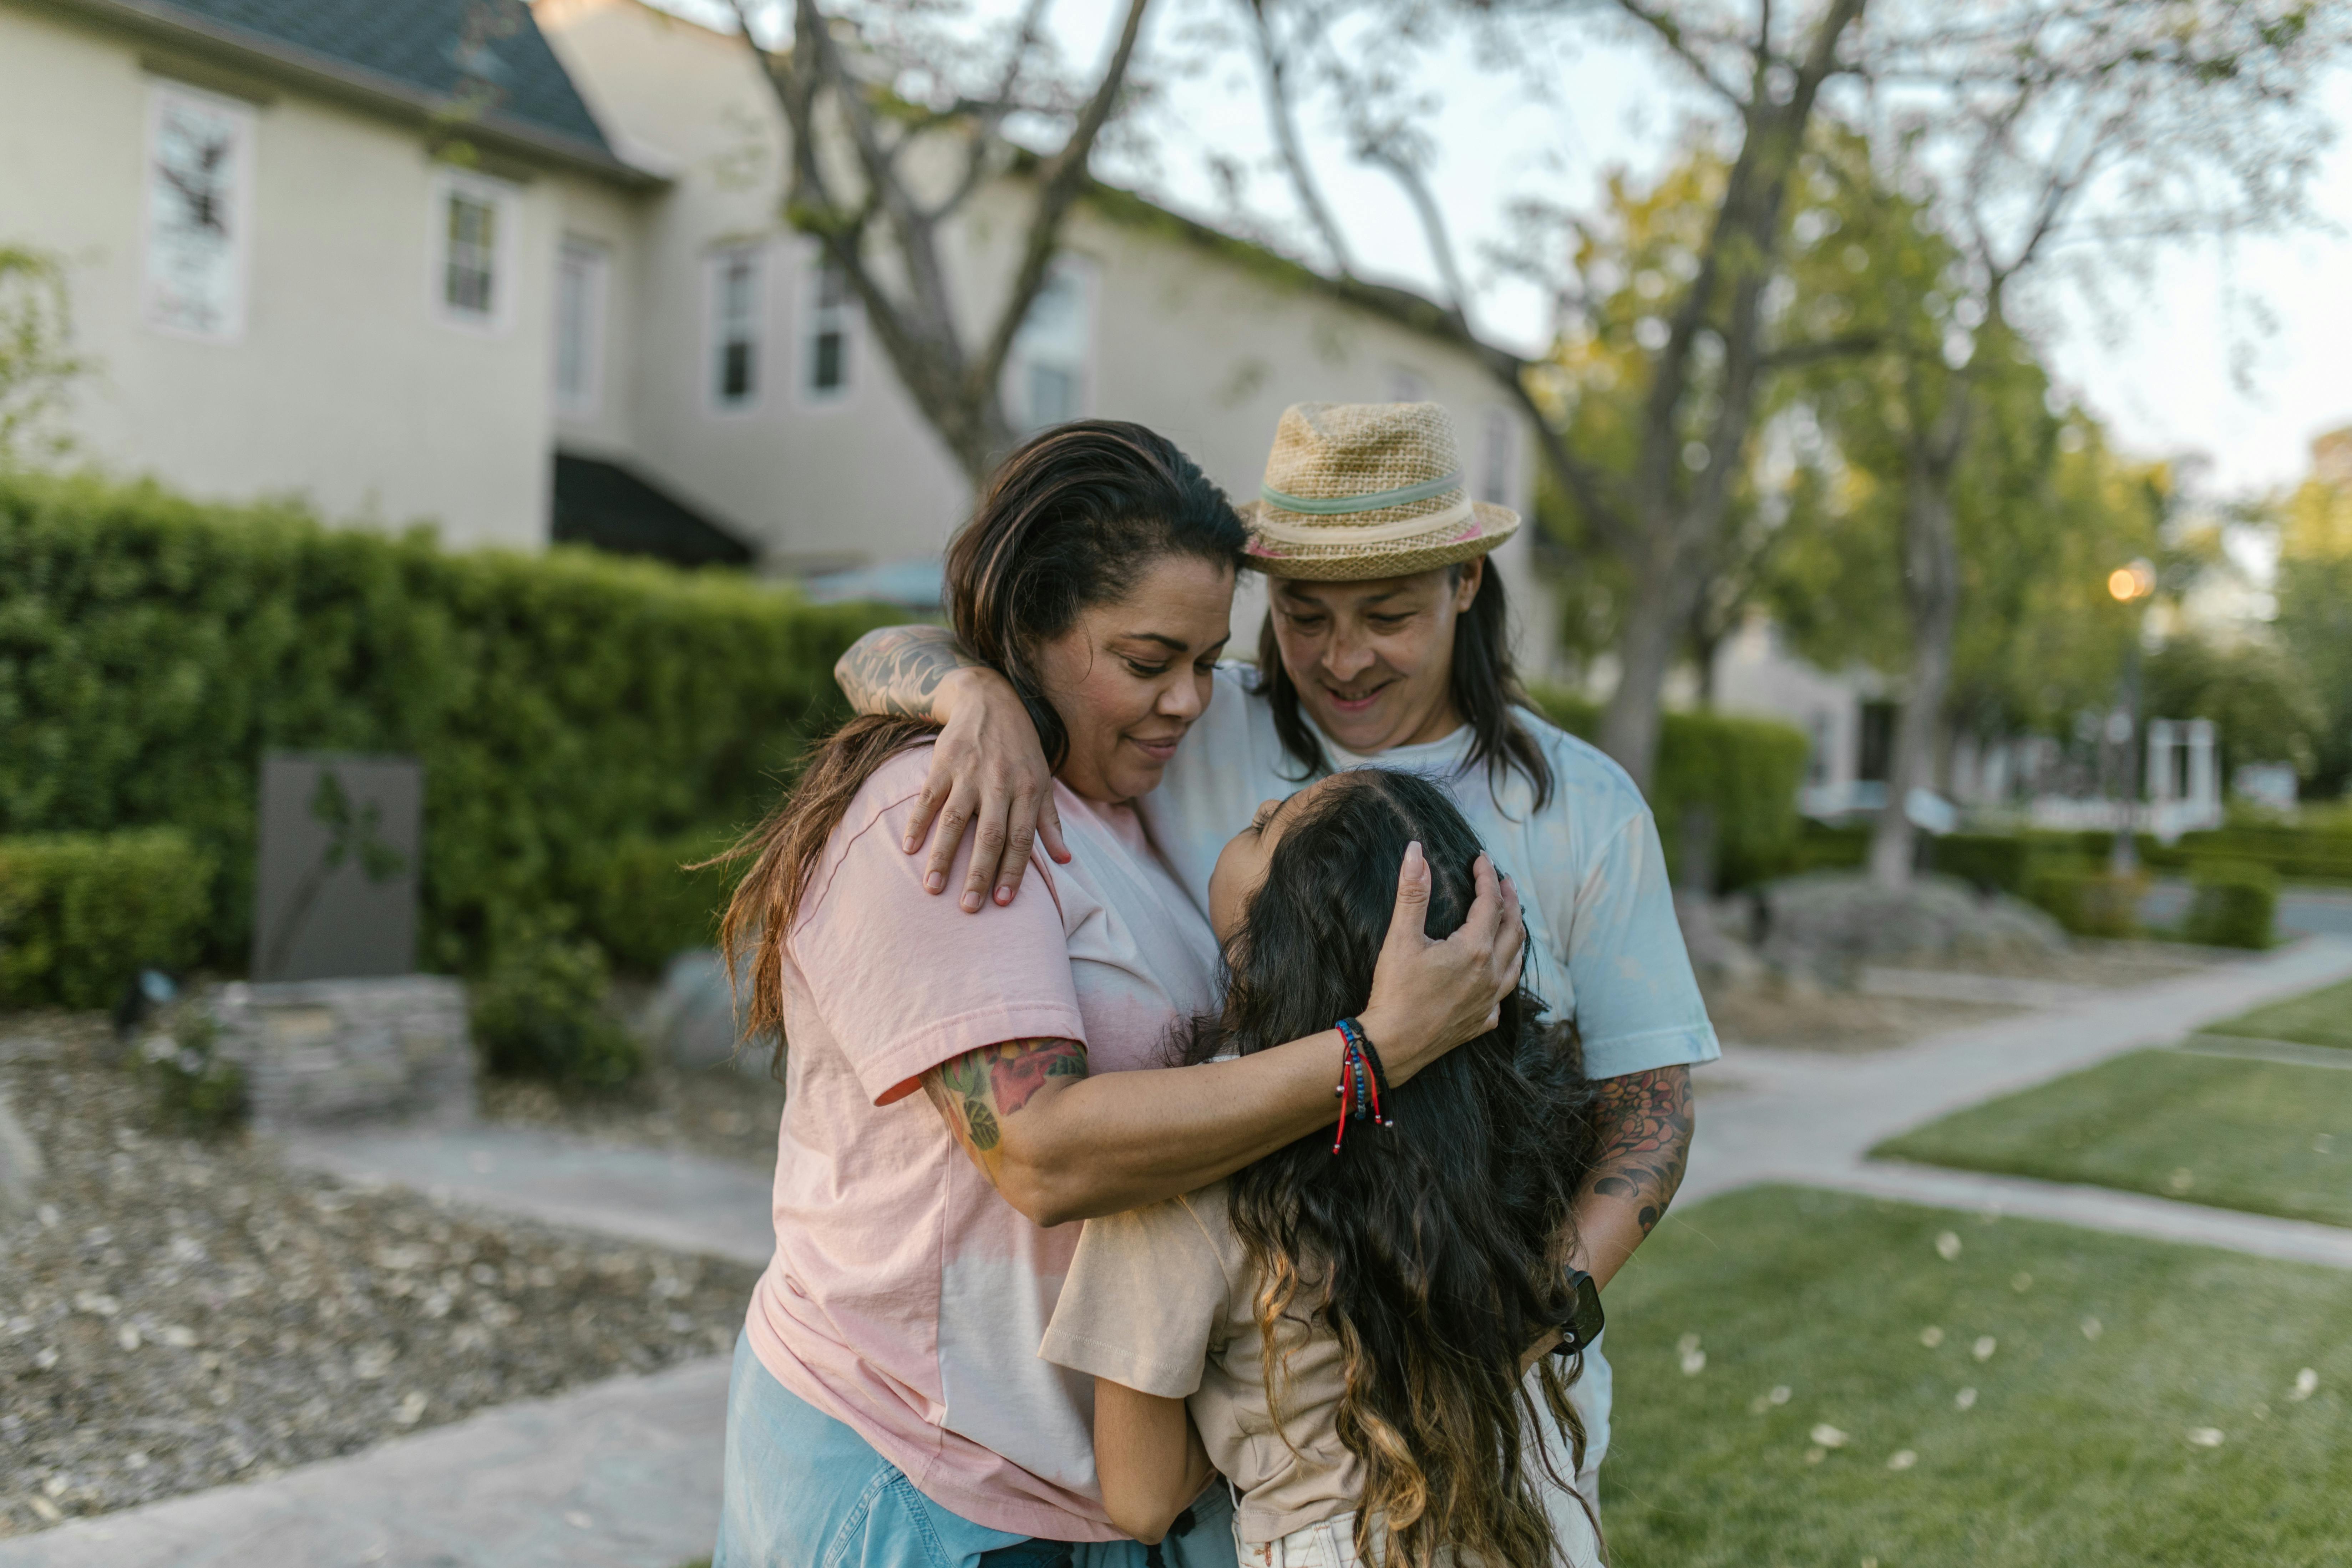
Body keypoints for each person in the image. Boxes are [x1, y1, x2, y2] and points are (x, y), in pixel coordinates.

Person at [830, 400, 1720, 1514]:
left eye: (1388, 614)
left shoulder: (1582, 807)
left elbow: (1652, 1110)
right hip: (1260, 1447)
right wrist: (974, 695)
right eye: (1305, 615)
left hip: (1503, 1406)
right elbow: (876, 650)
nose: (1342, 659)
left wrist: (1521, 1322)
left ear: (1466, 584)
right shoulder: (1199, 716)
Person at [710, 419, 1526, 1568]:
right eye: (1151, 663)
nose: (1193, 700)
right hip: (925, 1475)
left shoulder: (1134, 799)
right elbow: (1042, 1151)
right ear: (1030, 634)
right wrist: (1376, 1049)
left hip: (1107, 1488)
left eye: (1207, 660)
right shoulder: (938, 808)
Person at [1044, 768, 1608, 1568]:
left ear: (1279, 937)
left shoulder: (1180, 1165)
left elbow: (1142, 1496)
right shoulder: (1500, 1116)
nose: (1255, 806)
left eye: (1266, 824)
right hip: (1530, 1516)